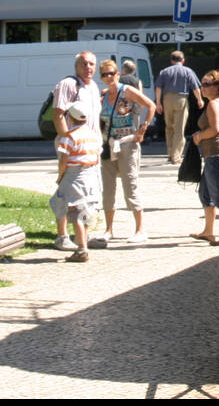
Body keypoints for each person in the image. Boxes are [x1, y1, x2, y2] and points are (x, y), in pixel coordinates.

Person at [96, 57, 157, 245]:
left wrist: (143, 128)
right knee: (108, 188)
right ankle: (109, 229)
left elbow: (151, 105)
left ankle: (140, 229)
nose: (108, 77)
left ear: (118, 74)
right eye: (104, 74)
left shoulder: (127, 91)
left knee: (130, 185)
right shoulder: (103, 95)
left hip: (127, 144)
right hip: (108, 145)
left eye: (111, 74)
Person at [51, 51, 103, 250]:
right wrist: (68, 140)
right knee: (65, 193)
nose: (88, 67)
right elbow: (58, 114)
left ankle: (83, 236)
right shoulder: (68, 84)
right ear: (76, 66)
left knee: (88, 195)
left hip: (91, 149)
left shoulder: (93, 86)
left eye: (91, 64)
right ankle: (62, 236)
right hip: (72, 148)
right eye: (84, 64)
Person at [190, 69, 219, 245]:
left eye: (207, 84)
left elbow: (215, 129)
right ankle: (208, 231)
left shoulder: (214, 105)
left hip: (218, 154)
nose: (202, 88)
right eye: (202, 84)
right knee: (206, 193)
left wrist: (199, 136)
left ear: (218, 86)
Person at [50, 104, 102, 263]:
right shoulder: (93, 135)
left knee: (74, 211)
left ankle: (81, 249)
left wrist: (60, 176)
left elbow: (63, 161)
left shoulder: (69, 137)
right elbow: (97, 157)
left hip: (74, 176)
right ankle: (83, 243)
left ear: (70, 118)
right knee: (84, 211)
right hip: (90, 174)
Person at [154, 51, 203, 165]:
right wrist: (199, 99)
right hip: (181, 99)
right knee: (179, 129)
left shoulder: (164, 71)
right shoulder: (188, 71)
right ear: (183, 60)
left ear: (171, 60)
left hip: (167, 99)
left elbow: (158, 87)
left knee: (169, 127)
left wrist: (158, 103)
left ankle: (170, 153)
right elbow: (195, 87)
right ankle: (176, 156)